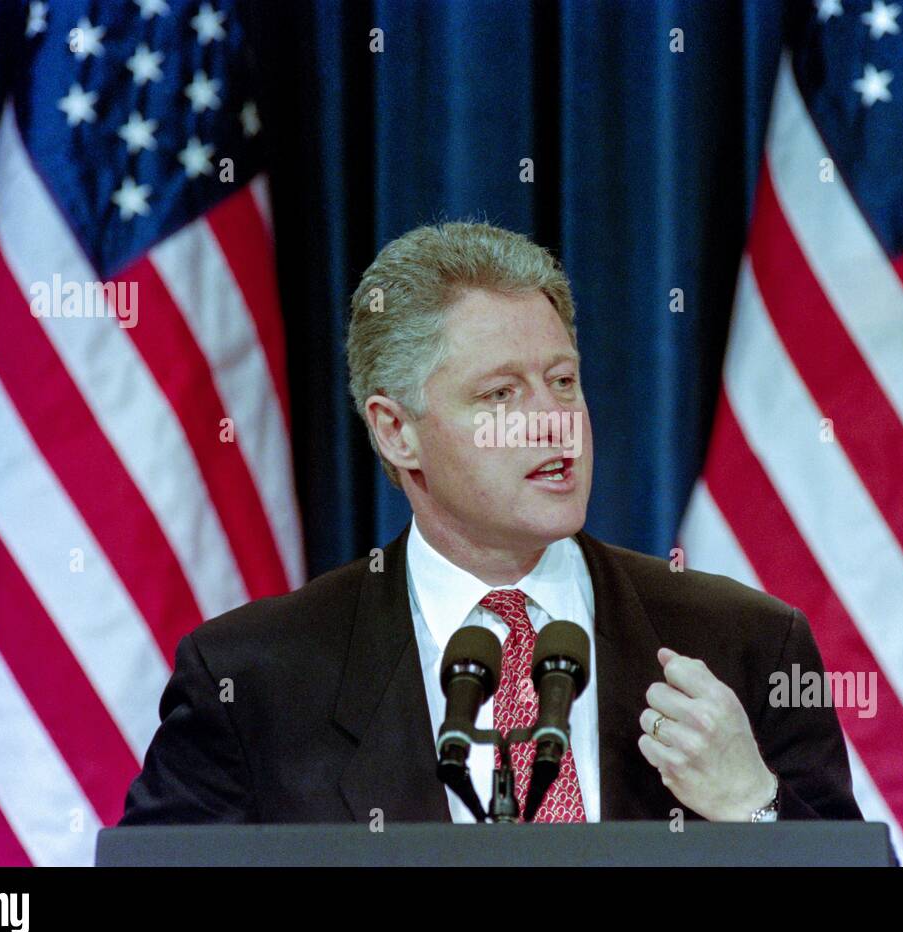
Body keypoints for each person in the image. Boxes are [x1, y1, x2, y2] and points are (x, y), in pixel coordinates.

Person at [120, 220, 862, 826]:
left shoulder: (746, 645)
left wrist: (754, 809)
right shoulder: (253, 680)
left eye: (563, 381)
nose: (554, 424)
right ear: (396, 432)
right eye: (501, 394)